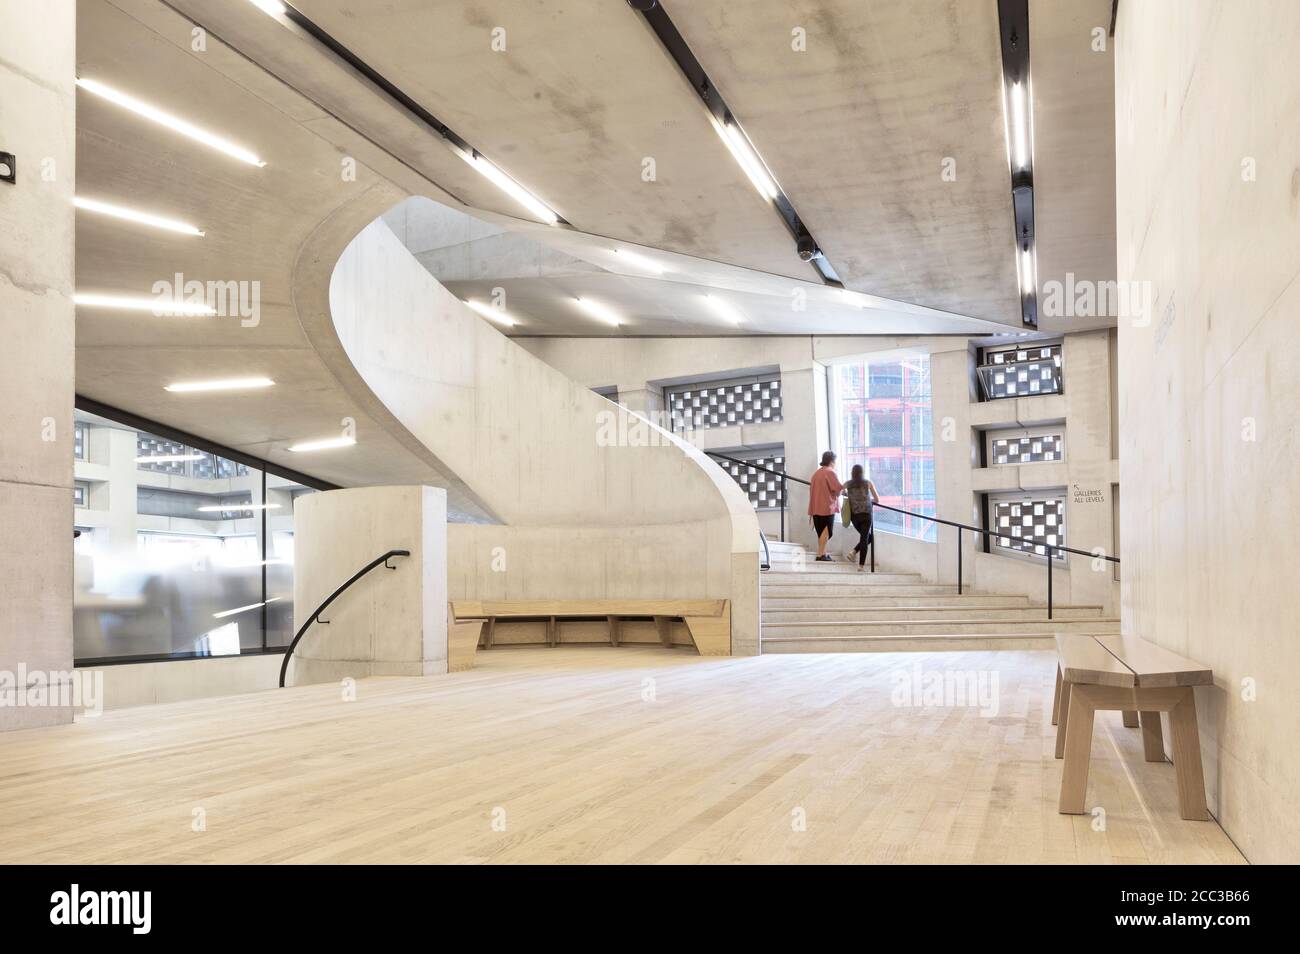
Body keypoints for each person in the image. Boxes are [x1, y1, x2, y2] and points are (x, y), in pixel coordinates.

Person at [843, 464, 880, 572]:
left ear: (852, 473)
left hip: (854, 517)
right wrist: (868, 500)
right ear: (862, 472)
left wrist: (846, 494)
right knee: (865, 538)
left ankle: (853, 552)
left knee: (868, 538)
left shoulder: (847, 484)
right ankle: (860, 566)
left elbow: (839, 492)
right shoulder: (868, 483)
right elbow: (877, 500)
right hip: (866, 515)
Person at [807, 451, 843, 561]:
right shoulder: (830, 472)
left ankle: (823, 553)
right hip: (826, 508)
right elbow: (838, 489)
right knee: (827, 532)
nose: (835, 463)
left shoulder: (816, 474)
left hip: (815, 507)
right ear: (832, 461)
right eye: (835, 461)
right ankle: (820, 555)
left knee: (821, 533)